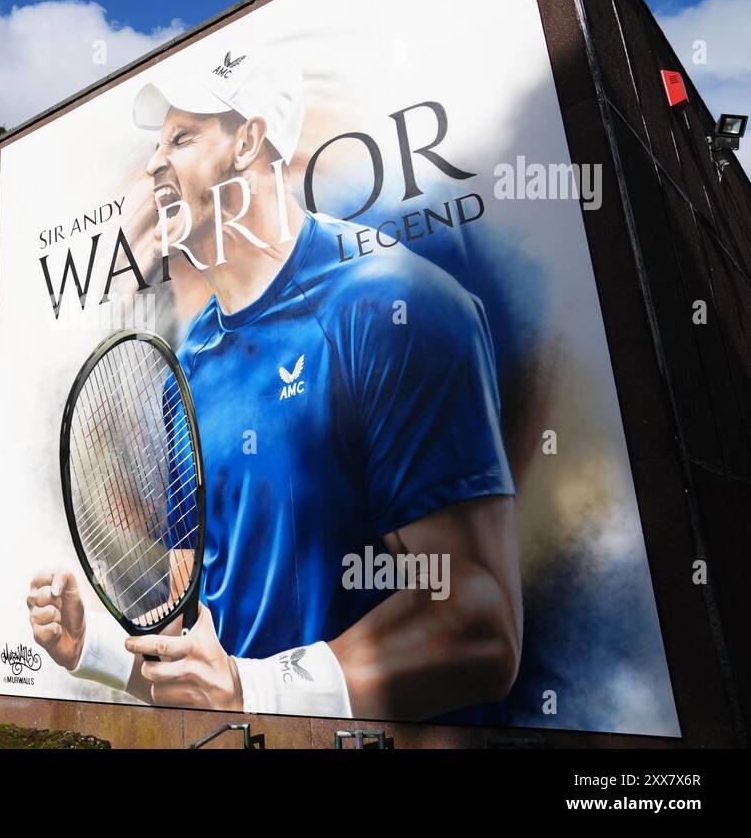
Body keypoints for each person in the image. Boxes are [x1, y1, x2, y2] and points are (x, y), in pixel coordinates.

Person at [27, 45, 522, 722]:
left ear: (250, 140)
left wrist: (255, 691)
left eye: (182, 137)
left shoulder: (395, 303)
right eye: (156, 144)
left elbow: (480, 619)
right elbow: (194, 648)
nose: (152, 165)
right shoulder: (189, 363)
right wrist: (95, 653)